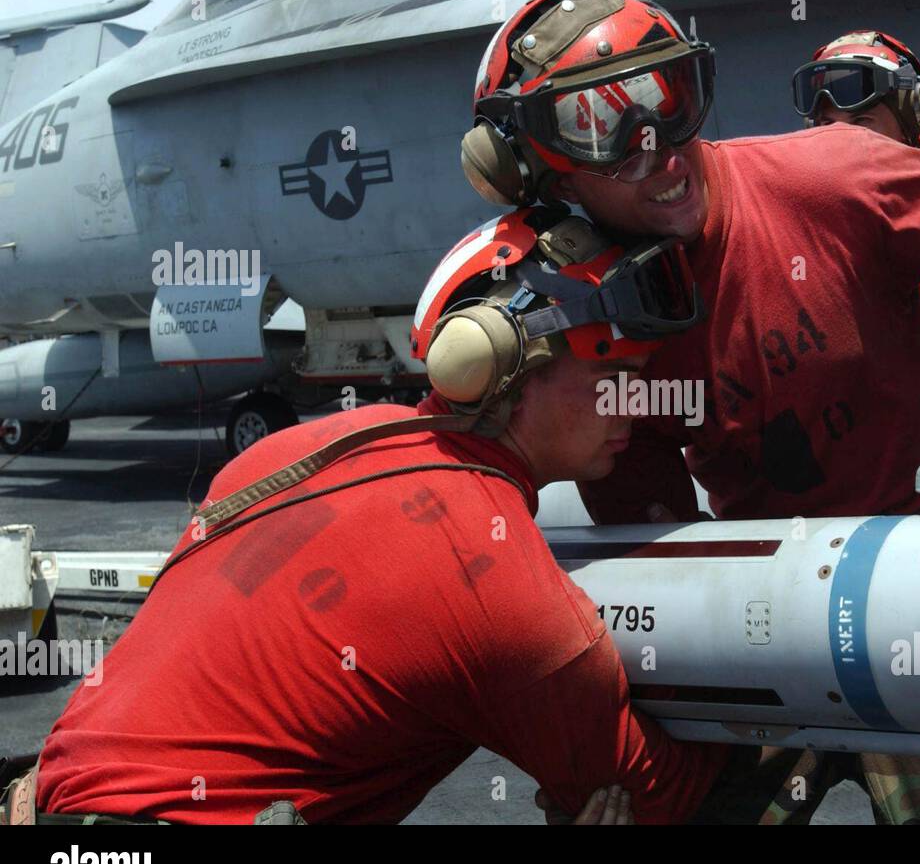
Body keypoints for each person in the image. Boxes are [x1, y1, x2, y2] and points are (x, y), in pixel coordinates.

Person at [461, 0, 920, 824]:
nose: (657, 149)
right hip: (759, 612)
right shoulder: (599, 326)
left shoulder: (836, 179)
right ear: (535, 168)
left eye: (666, 99)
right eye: (598, 127)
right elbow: (649, 541)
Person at [17, 208, 728, 824]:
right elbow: (654, 798)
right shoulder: (490, 572)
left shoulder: (288, 452)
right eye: (614, 377)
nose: (631, 405)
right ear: (509, 363)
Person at [792, 29, 920, 306]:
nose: (840, 144)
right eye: (827, 127)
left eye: (861, 122)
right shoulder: (798, 217)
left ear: (911, 118)